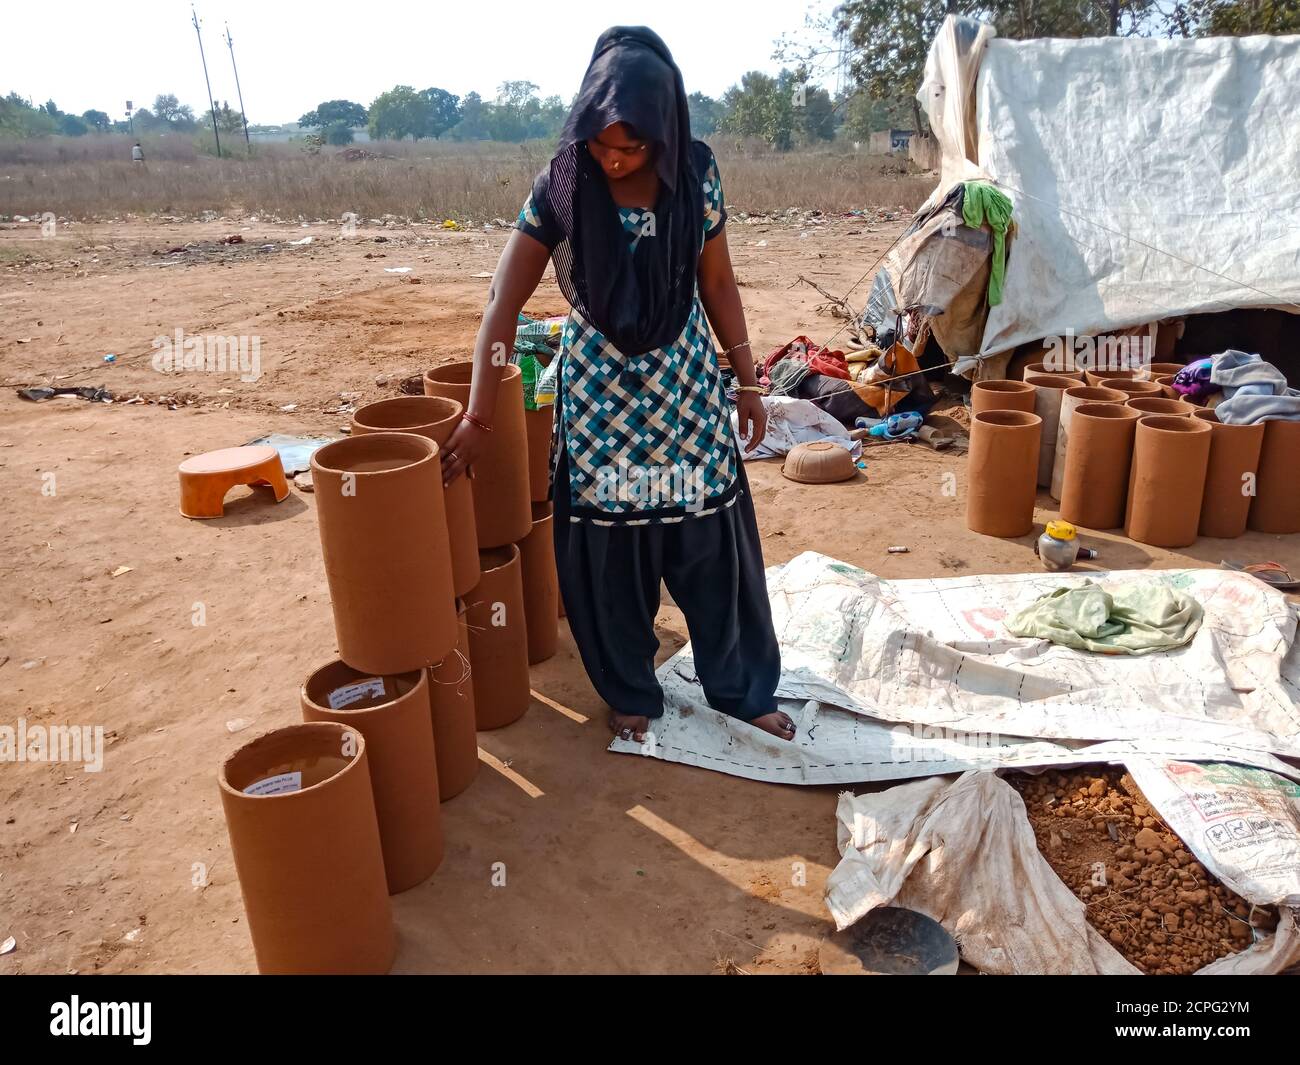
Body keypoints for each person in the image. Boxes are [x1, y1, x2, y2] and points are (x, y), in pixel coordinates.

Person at [443, 26, 794, 744]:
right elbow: (501, 304)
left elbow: (718, 279)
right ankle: (630, 685)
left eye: (629, 148)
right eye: (602, 142)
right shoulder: (562, 184)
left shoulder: (696, 174)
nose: (612, 157)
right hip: (602, 398)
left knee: (708, 536)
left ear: (663, 128)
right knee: (612, 541)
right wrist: (478, 416)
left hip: (686, 388)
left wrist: (749, 381)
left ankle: (739, 685)